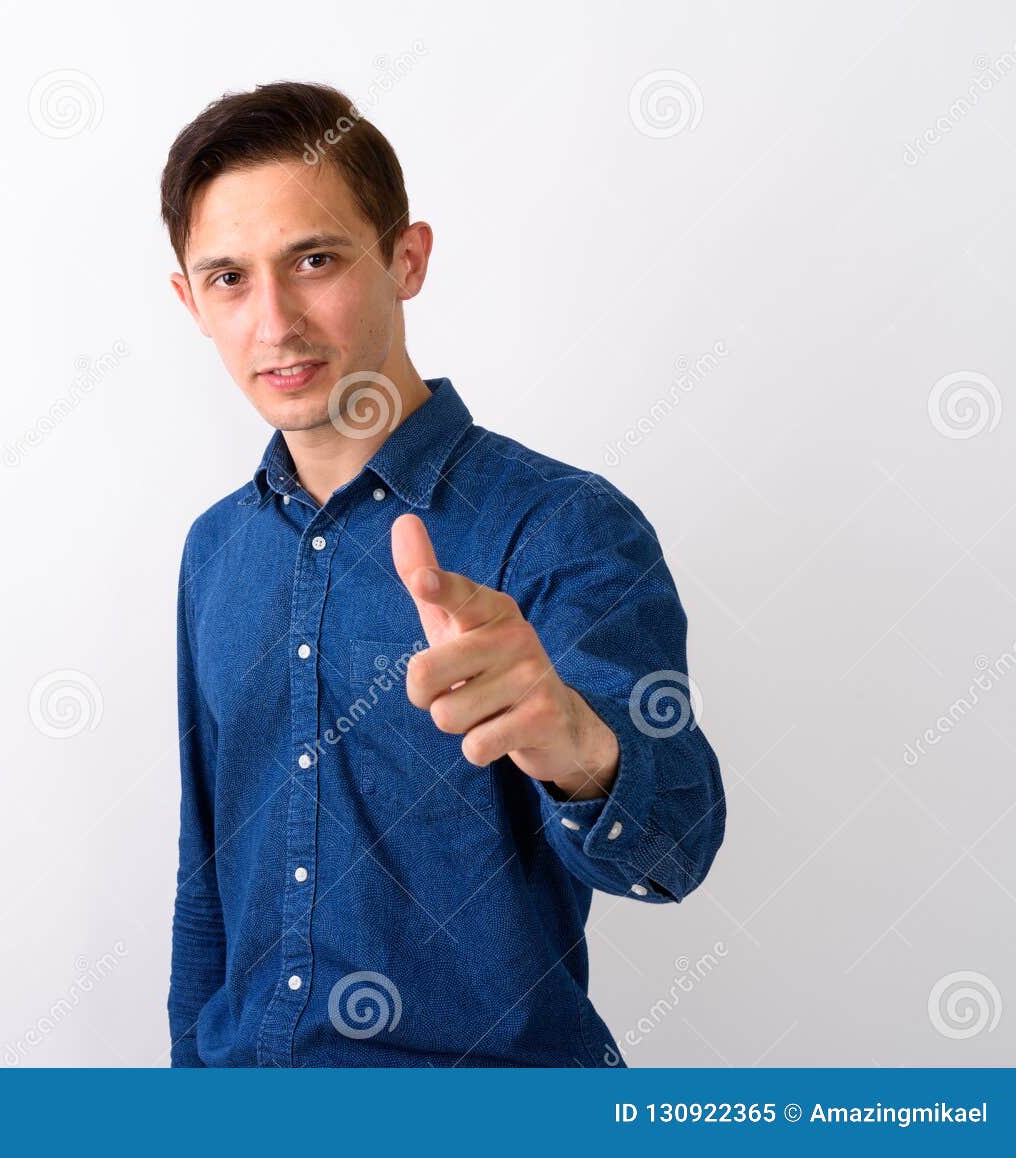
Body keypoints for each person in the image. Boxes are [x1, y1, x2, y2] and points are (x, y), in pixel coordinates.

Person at [162, 80, 726, 1067]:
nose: (274, 321)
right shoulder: (216, 551)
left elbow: (672, 854)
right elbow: (205, 875)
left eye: (316, 259)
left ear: (405, 259)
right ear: (189, 302)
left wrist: (582, 752)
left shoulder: (562, 526)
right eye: (228, 278)